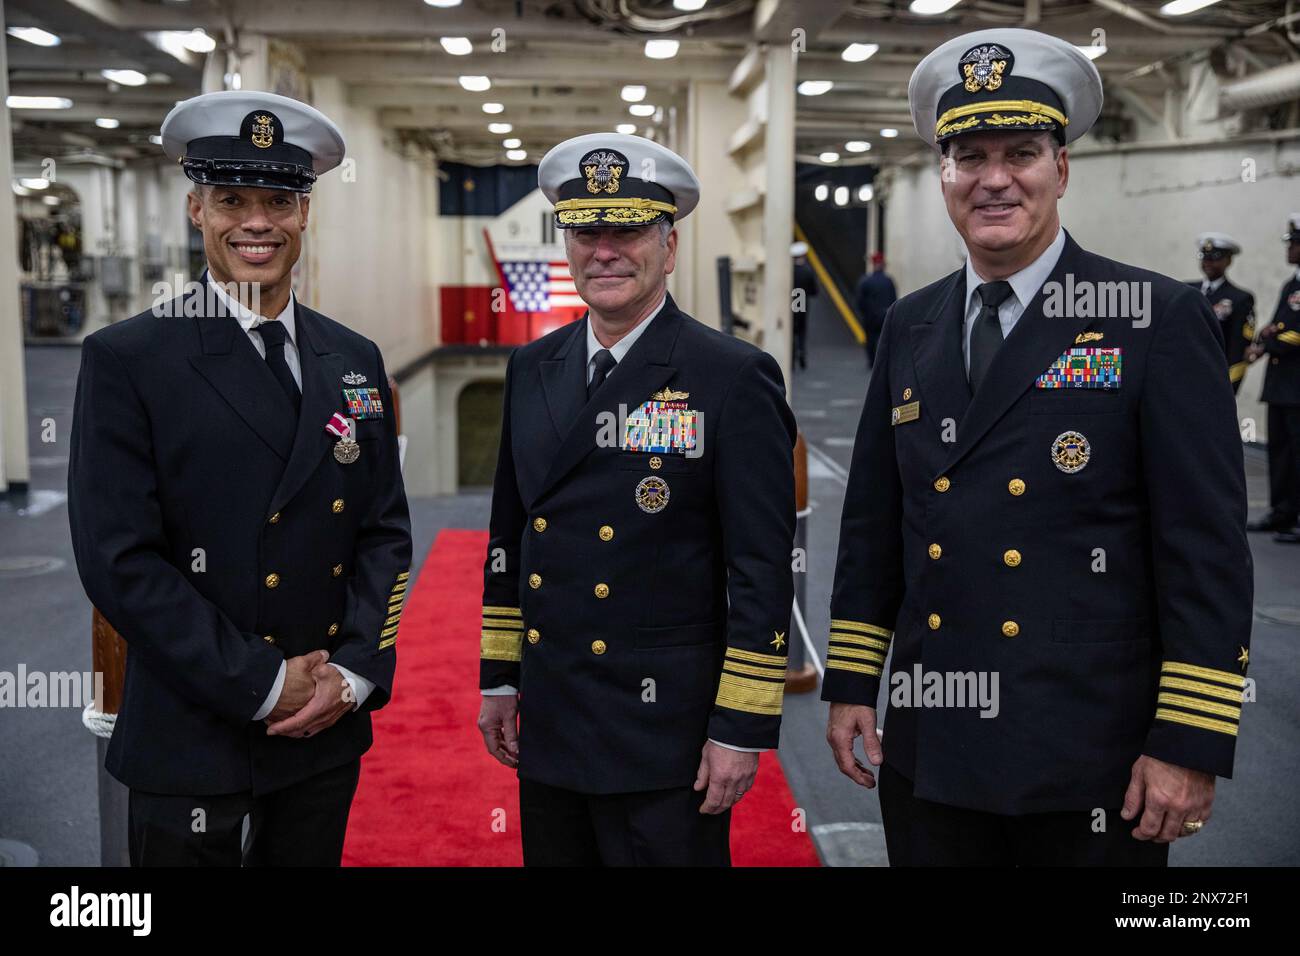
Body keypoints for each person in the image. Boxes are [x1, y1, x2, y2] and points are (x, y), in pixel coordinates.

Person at [821, 29, 1252, 866]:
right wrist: (848, 684)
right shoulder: (910, 324)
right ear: (943, 173)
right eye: (969, 155)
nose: (994, 178)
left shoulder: (1152, 317)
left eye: (1021, 151)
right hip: (931, 743)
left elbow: (1204, 550)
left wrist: (1191, 740)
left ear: (1062, 168)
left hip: (1089, 755)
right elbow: (875, 527)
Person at [67, 91, 412, 866]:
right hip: (196, 723)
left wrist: (354, 672)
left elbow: (384, 532)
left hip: (322, 720)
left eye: (278, 201)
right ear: (196, 210)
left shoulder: (352, 358)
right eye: (231, 200)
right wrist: (260, 681)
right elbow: (118, 559)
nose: (256, 222)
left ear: (305, 214)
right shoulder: (132, 358)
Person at [475, 133, 797, 866]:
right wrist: (499, 678)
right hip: (552, 717)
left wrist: (740, 724)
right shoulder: (533, 366)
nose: (605, 251)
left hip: (664, 732)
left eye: (627, 230)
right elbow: (508, 537)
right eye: (586, 231)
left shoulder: (731, 376)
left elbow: (760, 566)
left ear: (670, 245)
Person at [1246, 213, 1300, 541]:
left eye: (1294, 243)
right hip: (1281, 385)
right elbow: (1281, 325)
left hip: (1297, 384)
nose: (1289, 248)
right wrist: (1270, 335)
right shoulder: (1291, 284)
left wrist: (1271, 340)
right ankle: (1282, 512)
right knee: (1280, 452)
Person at [1188, 233, 1254, 393]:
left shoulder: (1240, 298)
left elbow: (1238, 347)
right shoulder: (1187, 290)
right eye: (1204, 257)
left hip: (1214, 378)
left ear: (1228, 261)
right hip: (1185, 374)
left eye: (1215, 258)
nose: (1208, 262)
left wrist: (1228, 386)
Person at [855, 251, 898, 366]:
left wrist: (865, 312)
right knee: (884, 338)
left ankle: (871, 361)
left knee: (870, 338)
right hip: (885, 314)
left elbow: (860, 301)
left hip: (870, 316)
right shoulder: (889, 281)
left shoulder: (865, 281)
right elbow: (894, 300)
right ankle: (882, 361)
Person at [791, 241, 817, 370]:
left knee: (792, 330)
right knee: (801, 331)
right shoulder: (807, 271)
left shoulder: (789, 271)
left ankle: (791, 356)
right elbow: (814, 291)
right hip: (802, 304)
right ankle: (802, 353)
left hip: (791, 303)